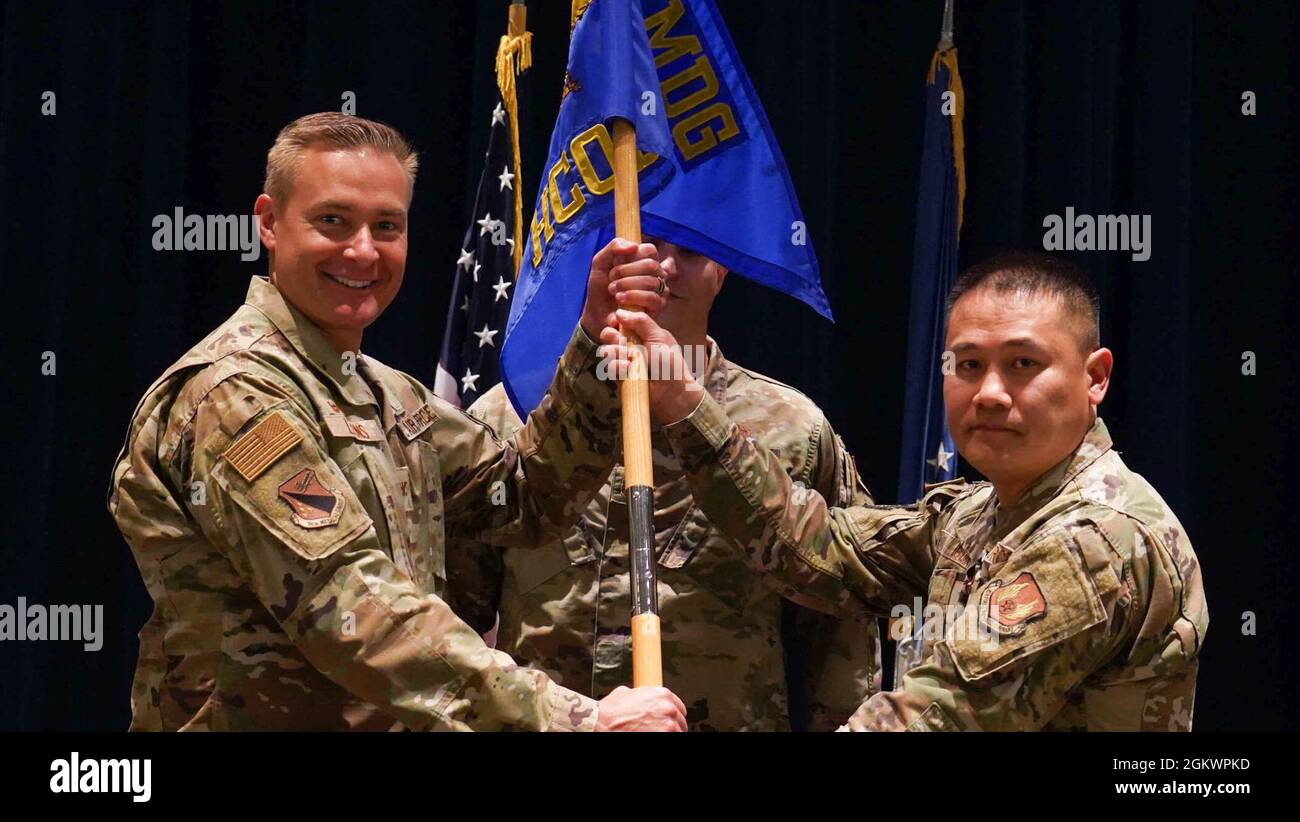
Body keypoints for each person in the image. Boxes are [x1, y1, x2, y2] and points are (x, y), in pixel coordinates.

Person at [108, 112, 686, 732]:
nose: (362, 250)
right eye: (333, 221)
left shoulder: (385, 394)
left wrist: (597, 341)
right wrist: (575, 719)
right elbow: (350, 606)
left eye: (387, 226)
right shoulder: (235, 395)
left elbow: (523, 494)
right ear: (270, 224)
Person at [601, 249, 1207, 731]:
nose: (990, 392)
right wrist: (686, 404)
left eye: (1023, 364)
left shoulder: (1095, 538)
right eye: (968, 366)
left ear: (1094, 376)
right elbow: (821, 550)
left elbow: (931, 716)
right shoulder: (983, 513)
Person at [446, 237, 883, 731]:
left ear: (722, 269)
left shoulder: (792, 431)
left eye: (693, 249)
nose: (667, 267)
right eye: (649, 244)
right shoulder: (510, 420)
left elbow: (841, 641)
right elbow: (449, 626)